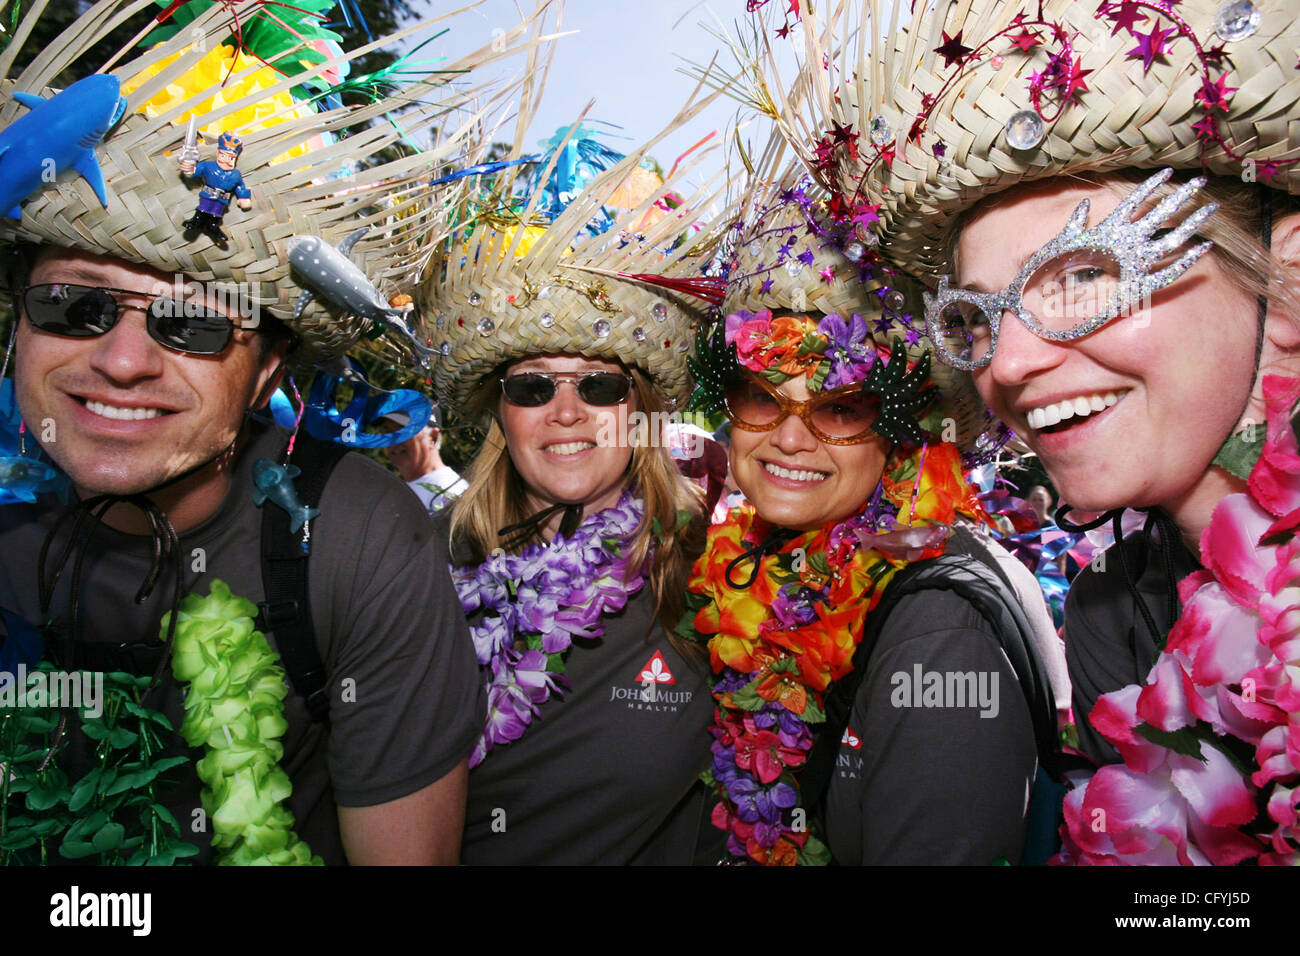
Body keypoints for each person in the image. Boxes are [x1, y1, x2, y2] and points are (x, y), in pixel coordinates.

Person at [0, 0, 537, 865]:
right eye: (76, 306)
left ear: (267, 371)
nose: (124, 360)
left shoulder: (355, 536)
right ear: (16, 328)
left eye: (195, 324)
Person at [820, 0, 1300, 863]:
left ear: (1290, 279)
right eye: (974, 317)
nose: (1005, 366)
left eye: (1083, 274)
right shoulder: (1116, 611)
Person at [676, 127, 1061, 863]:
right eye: (761, 397)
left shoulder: (937, 627)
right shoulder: (767, 565)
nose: (789, 440)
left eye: (840, 409)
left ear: (903, 433)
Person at [421, 106, 721, 864]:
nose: (565, 413)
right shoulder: (419, 562)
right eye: (532, 387)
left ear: (639, 408)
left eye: (598, 386)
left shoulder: (707, 575)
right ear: (499, 410)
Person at [376, 406, 467, 513]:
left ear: (433, 437)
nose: (394, 439)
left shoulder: (452, 493)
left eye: (404, 431)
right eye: (387, 431)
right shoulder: (390, 494)